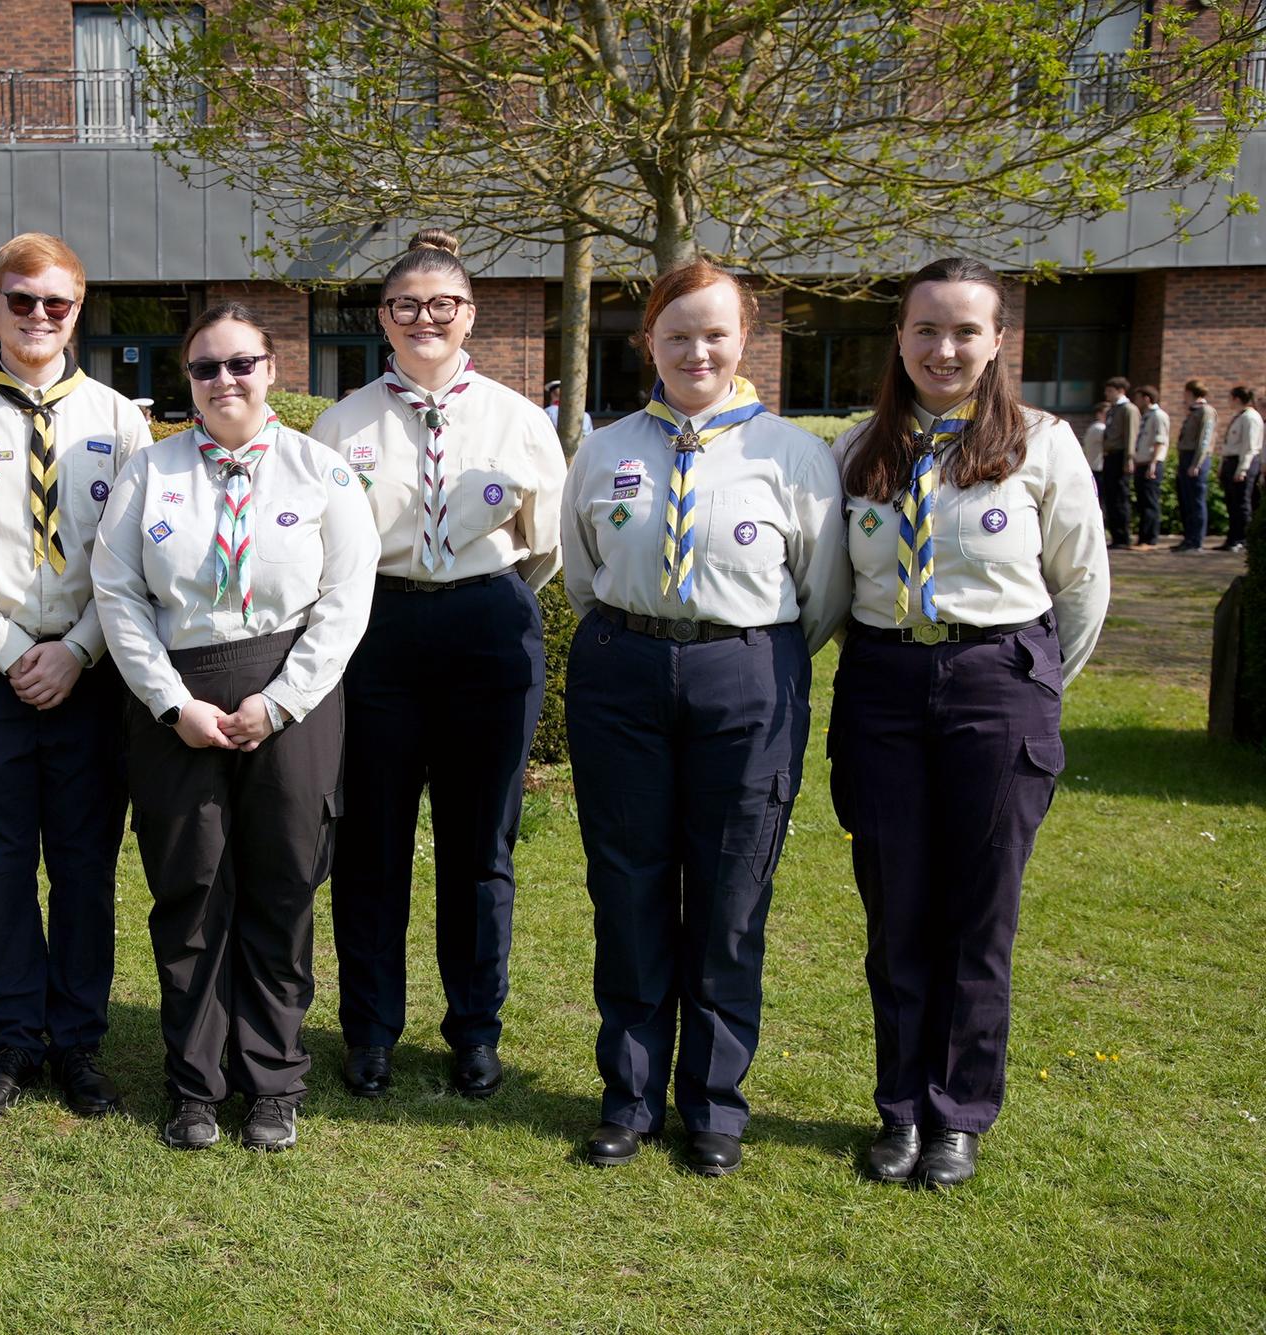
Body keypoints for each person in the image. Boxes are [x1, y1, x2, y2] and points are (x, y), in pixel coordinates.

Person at [560, 261, 849, 1177]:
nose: (696, 350)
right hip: (625, 671)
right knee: (630, 889)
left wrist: (738, 653)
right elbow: (580, 570)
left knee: (729, 898)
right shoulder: (604, 448)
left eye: (715, 333)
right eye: (677, 333)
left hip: (748, 671)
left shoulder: (792, 454)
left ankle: (715, 1104)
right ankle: (629, 1096)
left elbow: (824, 592)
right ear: (647, 339)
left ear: (744, 342)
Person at [831, 257, 1108, 1189]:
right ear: (899, 339)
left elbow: (1082, 586)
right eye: (925, 330)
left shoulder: (1042, 444)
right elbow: (836, 586)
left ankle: (958, 1114)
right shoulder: (860, 450)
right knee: (897, 906)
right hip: (883, 684)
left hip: (997, 677)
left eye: (964, 331)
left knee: (980, 912)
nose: (943, 349)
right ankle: (901, 1108)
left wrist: (1031, 685)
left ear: (996, 343)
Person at [91, 303, 379, 1151]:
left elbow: (347, 599)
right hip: (178, 698)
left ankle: (273, 1080)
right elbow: (118, 594)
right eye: (206, 368)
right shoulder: (151, 474)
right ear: (187, 381)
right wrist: (169, 702)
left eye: (241, 363)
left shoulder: (321, 472)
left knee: (283, 886)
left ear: (273, 368)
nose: (225, 381)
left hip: (290, 697)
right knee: (190, 890)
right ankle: (194, 1084)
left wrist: (280, 700)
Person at [310, 229, 566, 1101]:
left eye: (443, 305)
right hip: (378, 634)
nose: (426, 319)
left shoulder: (519, 419)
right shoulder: (343, 424)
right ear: (384, 317)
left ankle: (474, 1030)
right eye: (408, 305)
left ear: (470, 316)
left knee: (479, 845)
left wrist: (474, 592)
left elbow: (547, 547)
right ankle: (371, 1030)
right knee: (372, 845)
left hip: (486, 630)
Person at [0, 233, 152, 1119]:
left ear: (78, 309)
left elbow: (130, 561)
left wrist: (81, 648)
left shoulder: (120, 421)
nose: (39, 317)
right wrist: (10, 647)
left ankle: (80, 1041)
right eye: (22, 300)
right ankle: (14, 1036)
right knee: (2, 862)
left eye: (56, 302)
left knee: (86, 864)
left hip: (93, 673)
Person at [1172, 380, 1214, 552]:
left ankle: (1196, 540)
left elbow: (1204, 439)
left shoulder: (1206, 412)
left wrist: (1196, 463)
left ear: (1190, 393)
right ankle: (1188, 538)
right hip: (1186, 457)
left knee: (1196, 500)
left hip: (1194, 458)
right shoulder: (1193, 412)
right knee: (1186, 500)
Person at [1220, 385, 1262, 552]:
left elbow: (1249, 446)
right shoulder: (1239, 417)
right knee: (1232, 503)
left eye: (1230, 397)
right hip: (1232, 461)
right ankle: (1232, 537)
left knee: (1242, 502)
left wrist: (1242, 469)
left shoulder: (1250, 418)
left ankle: (1243, 538)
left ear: (1237, 398)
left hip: (1243, 461)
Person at [1099, 376, 1138, 548]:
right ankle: (1115, 535)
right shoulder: (1114, 409)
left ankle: (1123, 537)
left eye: (1110, 390)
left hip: (1120, 455)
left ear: (1120, 390)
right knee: (1111, 496)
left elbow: (1131, 434)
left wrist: (1129, 458)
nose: (1107, 394)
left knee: (1120, 497)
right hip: (1110, 456)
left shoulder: (1128, 409)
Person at [1130, 385, 1170, 550]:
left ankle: (1150, 539)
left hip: (1150, 464)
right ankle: (1142, 538)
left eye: (1139, 398)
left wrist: (1153, 463)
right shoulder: (1146, 416)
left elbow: (1159, 441)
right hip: (1142, 462)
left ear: (1147, 398)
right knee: (1143, 502)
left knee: (1150, 502)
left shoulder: (1158, 416)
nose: (1136, 402)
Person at [1079, 403, 1108, 495]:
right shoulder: (1100, 428)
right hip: (1098, 468)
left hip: (1094, 467)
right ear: (1099, 414)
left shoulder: (1094, 426)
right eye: (1107, 413)